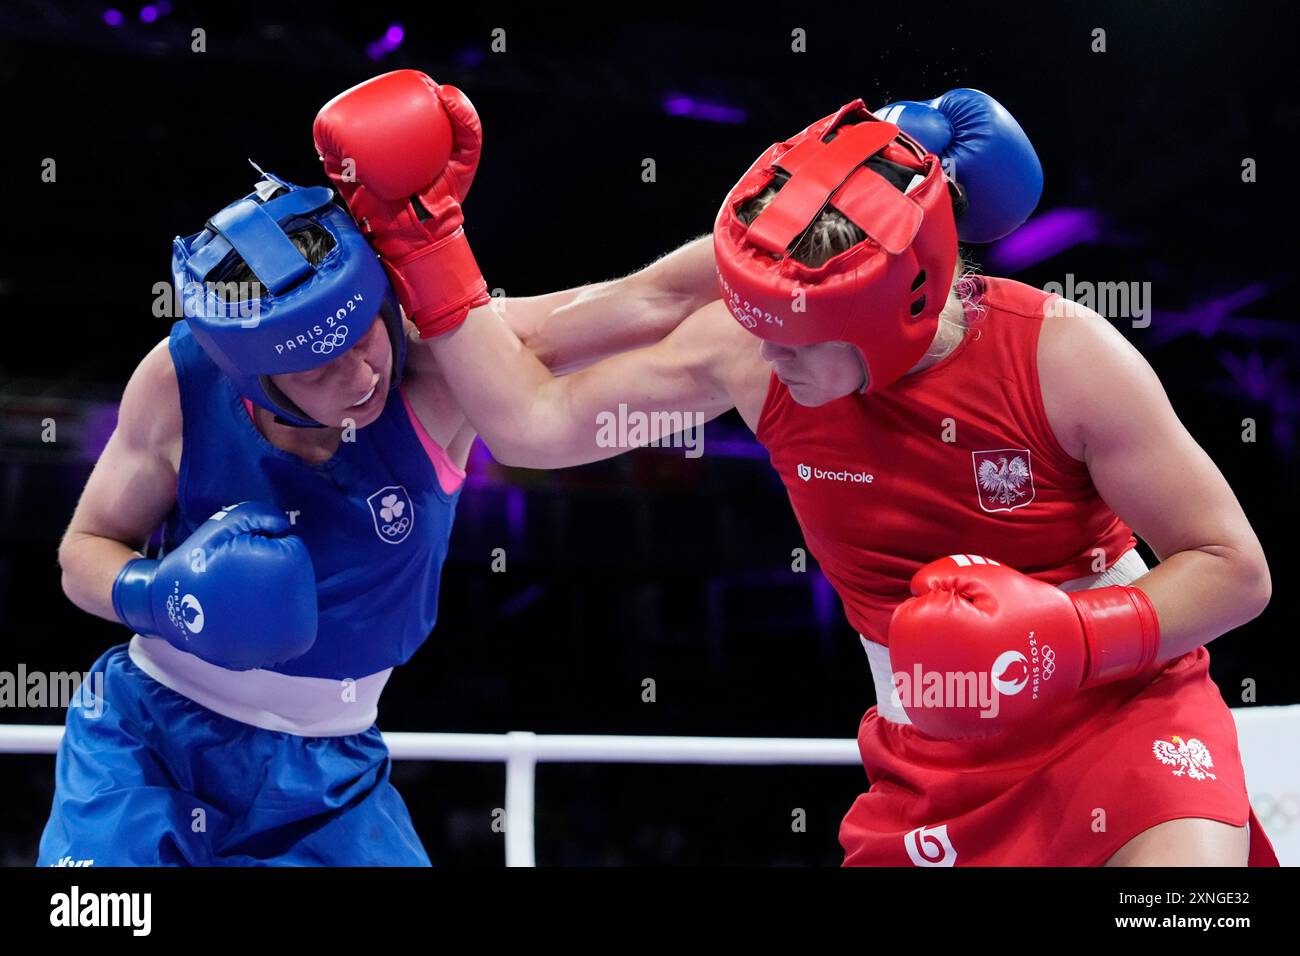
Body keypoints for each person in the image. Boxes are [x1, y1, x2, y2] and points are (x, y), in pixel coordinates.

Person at [336, 78, 1277, 866]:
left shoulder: (1063, 356)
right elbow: (532, 416)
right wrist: (422, 246)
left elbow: (1235, 567)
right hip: (936, 755)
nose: (761, 348)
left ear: (894, 313)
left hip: (1125, 713)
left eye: (793, 337)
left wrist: (1070, 634)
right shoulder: (751, 339)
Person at [39, 152, 719, 864]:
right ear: (250, 374)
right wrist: (159, 596)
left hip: (330, 771)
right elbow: (83, 549)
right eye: (318, 367)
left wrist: (793, 241)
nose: (363, 373)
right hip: (148, 740)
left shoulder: (440, 366)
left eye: (362, 332)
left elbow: (654, 298)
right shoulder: (180, 380)